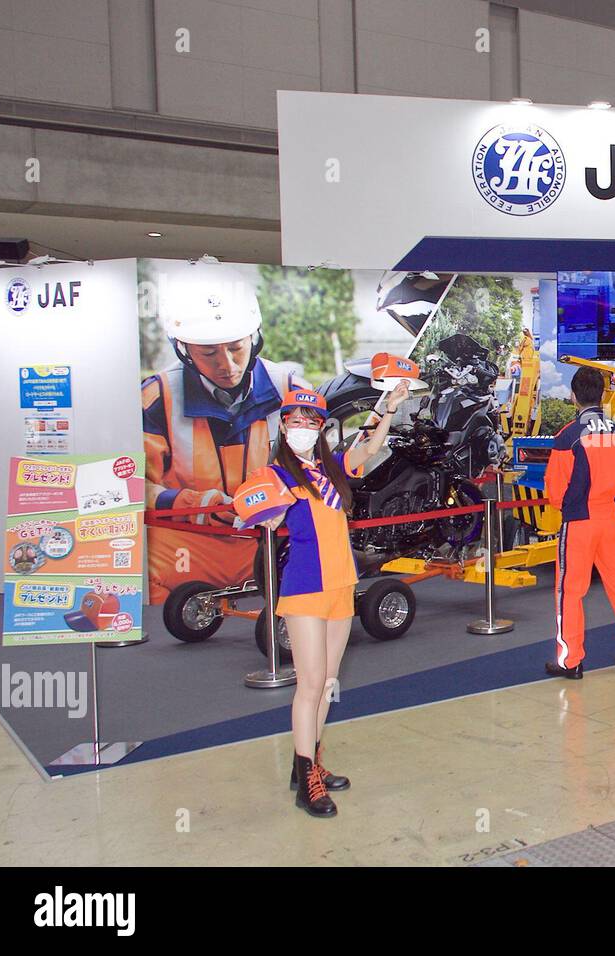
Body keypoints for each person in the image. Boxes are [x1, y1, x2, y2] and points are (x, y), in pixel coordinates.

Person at [251, 383, 407, 818]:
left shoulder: (333, 469)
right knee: (311, 684)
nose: (301, 427)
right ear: (283, 425)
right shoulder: (276, 475)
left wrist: (388, 408)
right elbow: (255, 511)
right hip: (304, 586)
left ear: (321, 427)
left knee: (329, 683)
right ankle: (307, 782)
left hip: (342, 584)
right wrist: (263, 512)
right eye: (294, 420)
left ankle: (309, 766)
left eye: (310, 421)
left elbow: (370, 444)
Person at [142, 263, 307, 605]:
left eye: (236, 348)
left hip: (273, 553)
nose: (227, 365)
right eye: (208, 353)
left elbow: (321, 469)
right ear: (183, 348)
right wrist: (194, 504)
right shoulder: (156, 398)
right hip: (187, 568)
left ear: (254, 338)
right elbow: (130, 487)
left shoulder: (291, 390)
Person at [542, 366, 615, 679]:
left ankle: (571, 661)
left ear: (573, 396)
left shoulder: (568, 436)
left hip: (580, 522)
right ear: (603, 394)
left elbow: (556, 489)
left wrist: (568, 506)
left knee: (570, 591)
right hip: (613, 519)